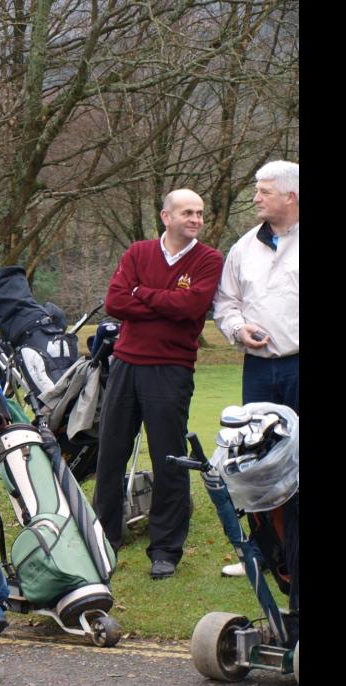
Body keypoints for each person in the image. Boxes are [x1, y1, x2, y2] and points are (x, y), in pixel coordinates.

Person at [92, 189, 223, 580]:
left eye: (200, 212)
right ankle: (104, 539)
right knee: (110, 453)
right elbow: (115, 302)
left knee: (168, 458)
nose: (196, 219)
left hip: (171, 368)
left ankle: (165, 549)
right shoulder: (137, 253)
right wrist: (162, 301)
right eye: (188, 212)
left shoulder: (208, 259)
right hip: (127, 364)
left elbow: (190, 308)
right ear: (166, 216)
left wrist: (142, 294)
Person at [213, 160, 299, 581]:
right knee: (256, 460)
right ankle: (267, 553)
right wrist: (237, 327)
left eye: (263, 191)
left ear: (290, 195)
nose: (255, 197)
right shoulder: (244, 247)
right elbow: (225, 302)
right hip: (260, 370)